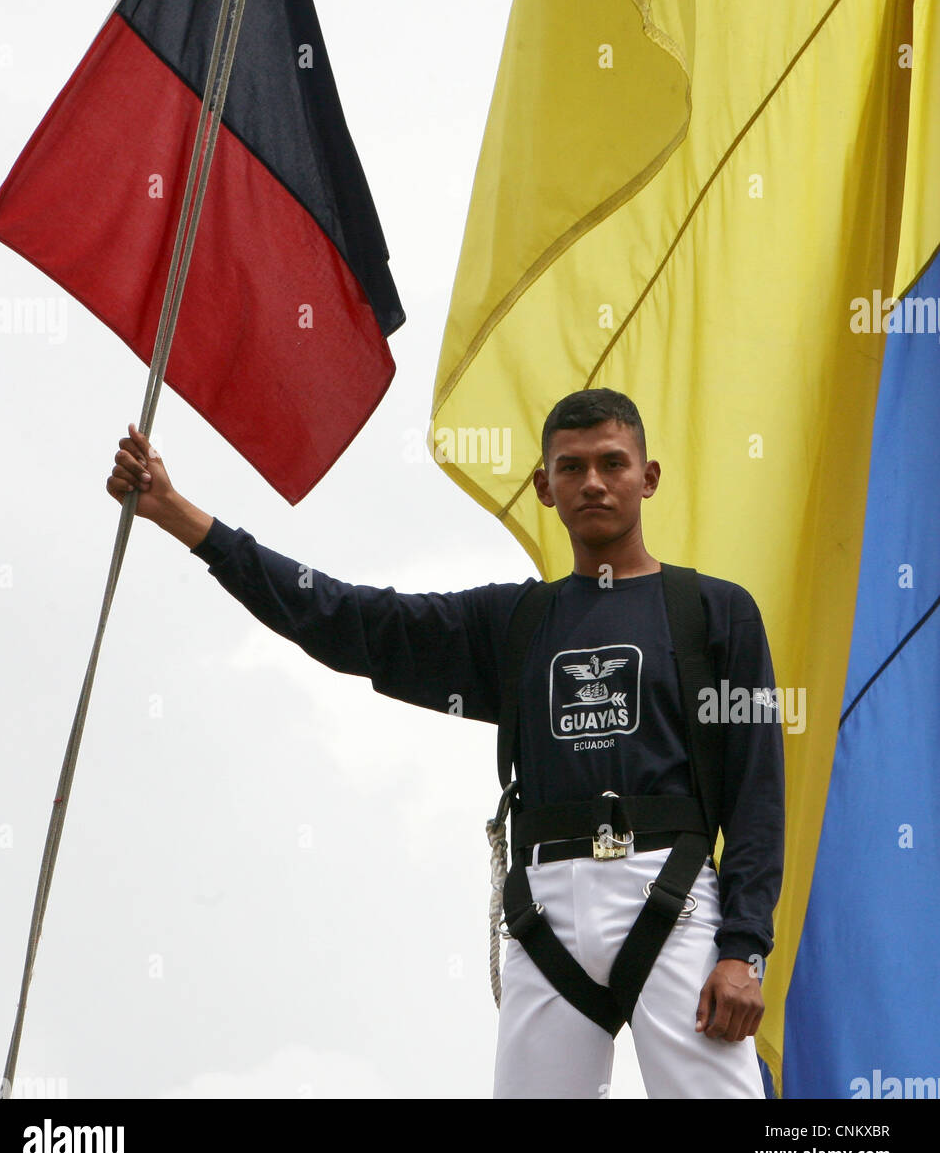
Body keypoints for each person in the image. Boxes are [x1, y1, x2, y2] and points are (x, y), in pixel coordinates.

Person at [106, 388, 784, 1099]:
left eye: (611, 463)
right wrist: (182, 518)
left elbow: (756, 795)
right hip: (544, 906)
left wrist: (742, 948)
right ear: (543, 488)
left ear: (646, 478)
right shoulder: (514, 624)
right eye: (570, 466)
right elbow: (349, 620)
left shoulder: (714, 613)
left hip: (670, 898)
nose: (591, 481)